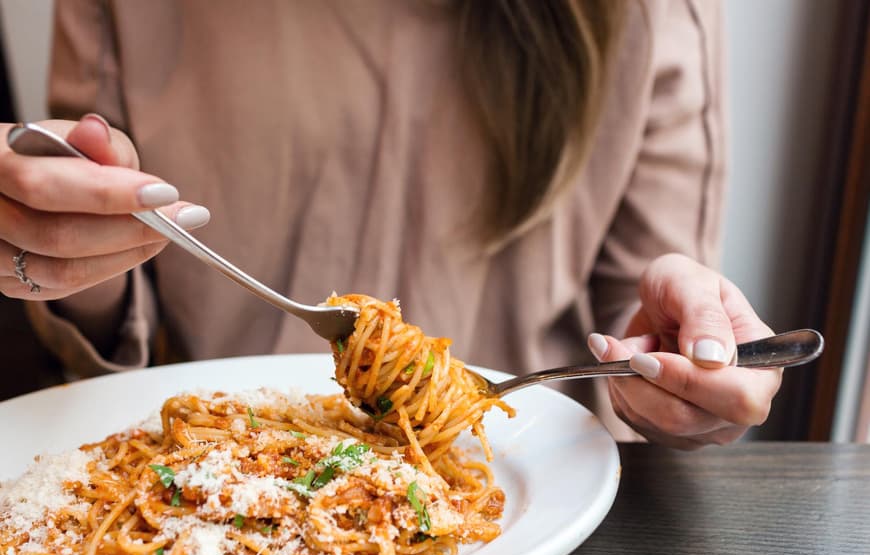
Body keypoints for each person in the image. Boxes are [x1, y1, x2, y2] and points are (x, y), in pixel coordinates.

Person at [0, 0, 782, 449]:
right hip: (214, 474)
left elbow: (639, 318)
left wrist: (676, 377)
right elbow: (102, 327)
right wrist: (61, 248)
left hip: (522, 502)